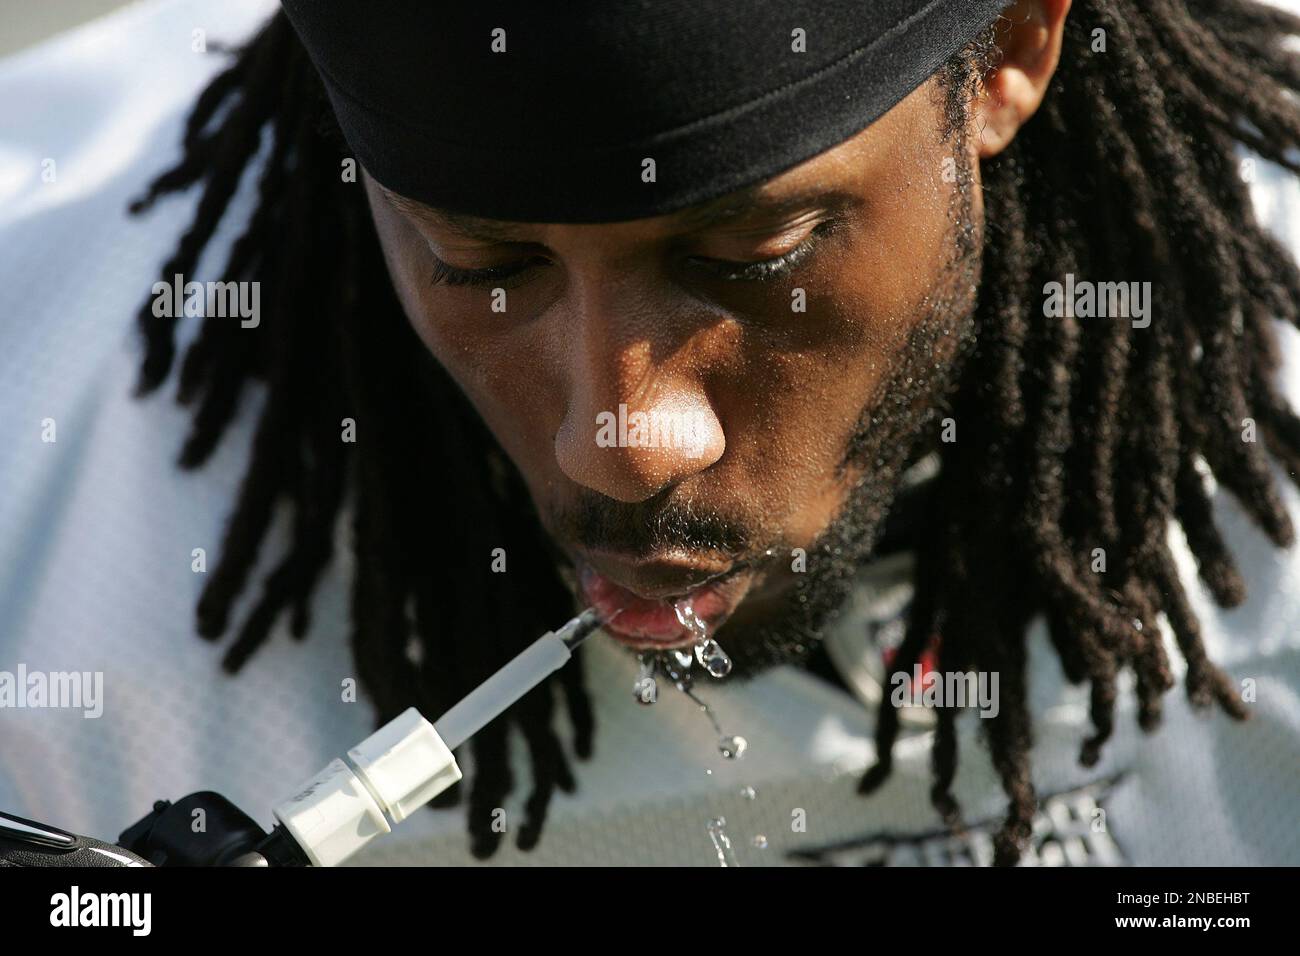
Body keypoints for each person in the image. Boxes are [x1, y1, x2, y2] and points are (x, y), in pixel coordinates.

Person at [2, 0, 1299, 867]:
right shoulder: (42, 518)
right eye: (486, 260)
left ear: (1011, 48)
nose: (617, 446)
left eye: (752, 252)